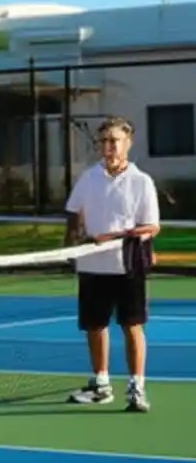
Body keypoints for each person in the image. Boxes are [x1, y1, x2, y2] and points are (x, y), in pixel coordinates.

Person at [63, 117, 160, 412]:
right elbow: (73, 212)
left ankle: (136, 388)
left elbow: (151, 226)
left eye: (114, 141)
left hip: (128, 266)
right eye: (103, 141)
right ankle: (101, 384)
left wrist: (113, 237)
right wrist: (72, 243)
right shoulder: (88, 178)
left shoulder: (141, 182)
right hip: (93, 267)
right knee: (95, 326)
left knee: (132, 326)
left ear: (127, 144)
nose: (108, 147)